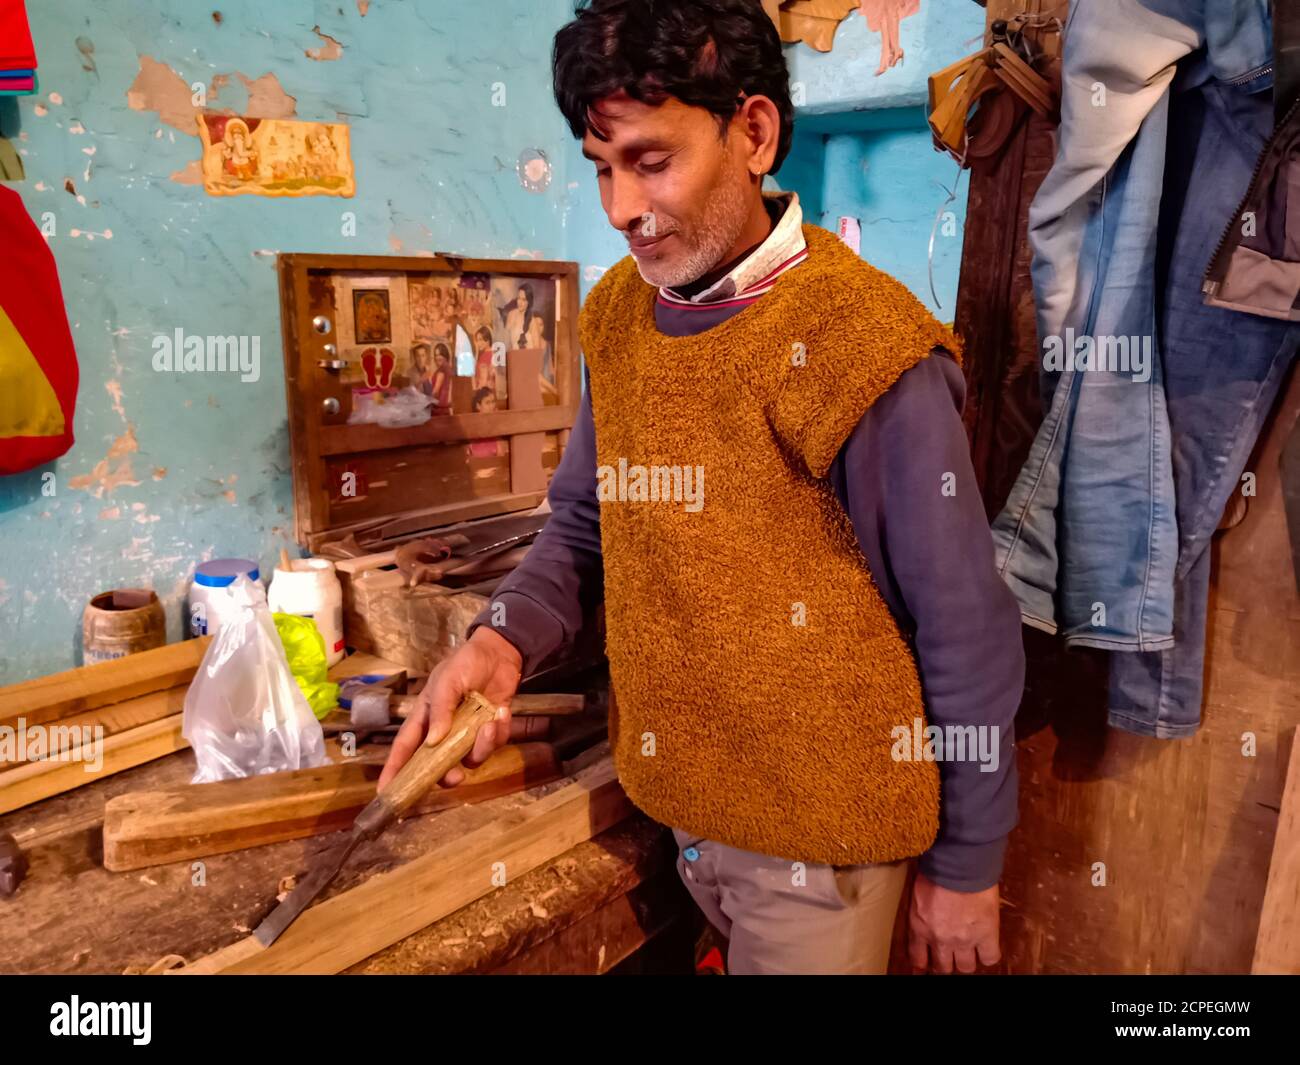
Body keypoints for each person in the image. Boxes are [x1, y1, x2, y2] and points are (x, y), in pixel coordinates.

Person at [380, 0, 1023, 977]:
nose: (618, 208)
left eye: (651, 161)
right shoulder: (618, 316)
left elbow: (963, 624)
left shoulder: (864, 346)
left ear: (753, 133)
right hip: (677, 808)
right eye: (601, 167)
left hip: (822, 839)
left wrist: (967, 867)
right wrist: (500, 636)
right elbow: (587, 527)